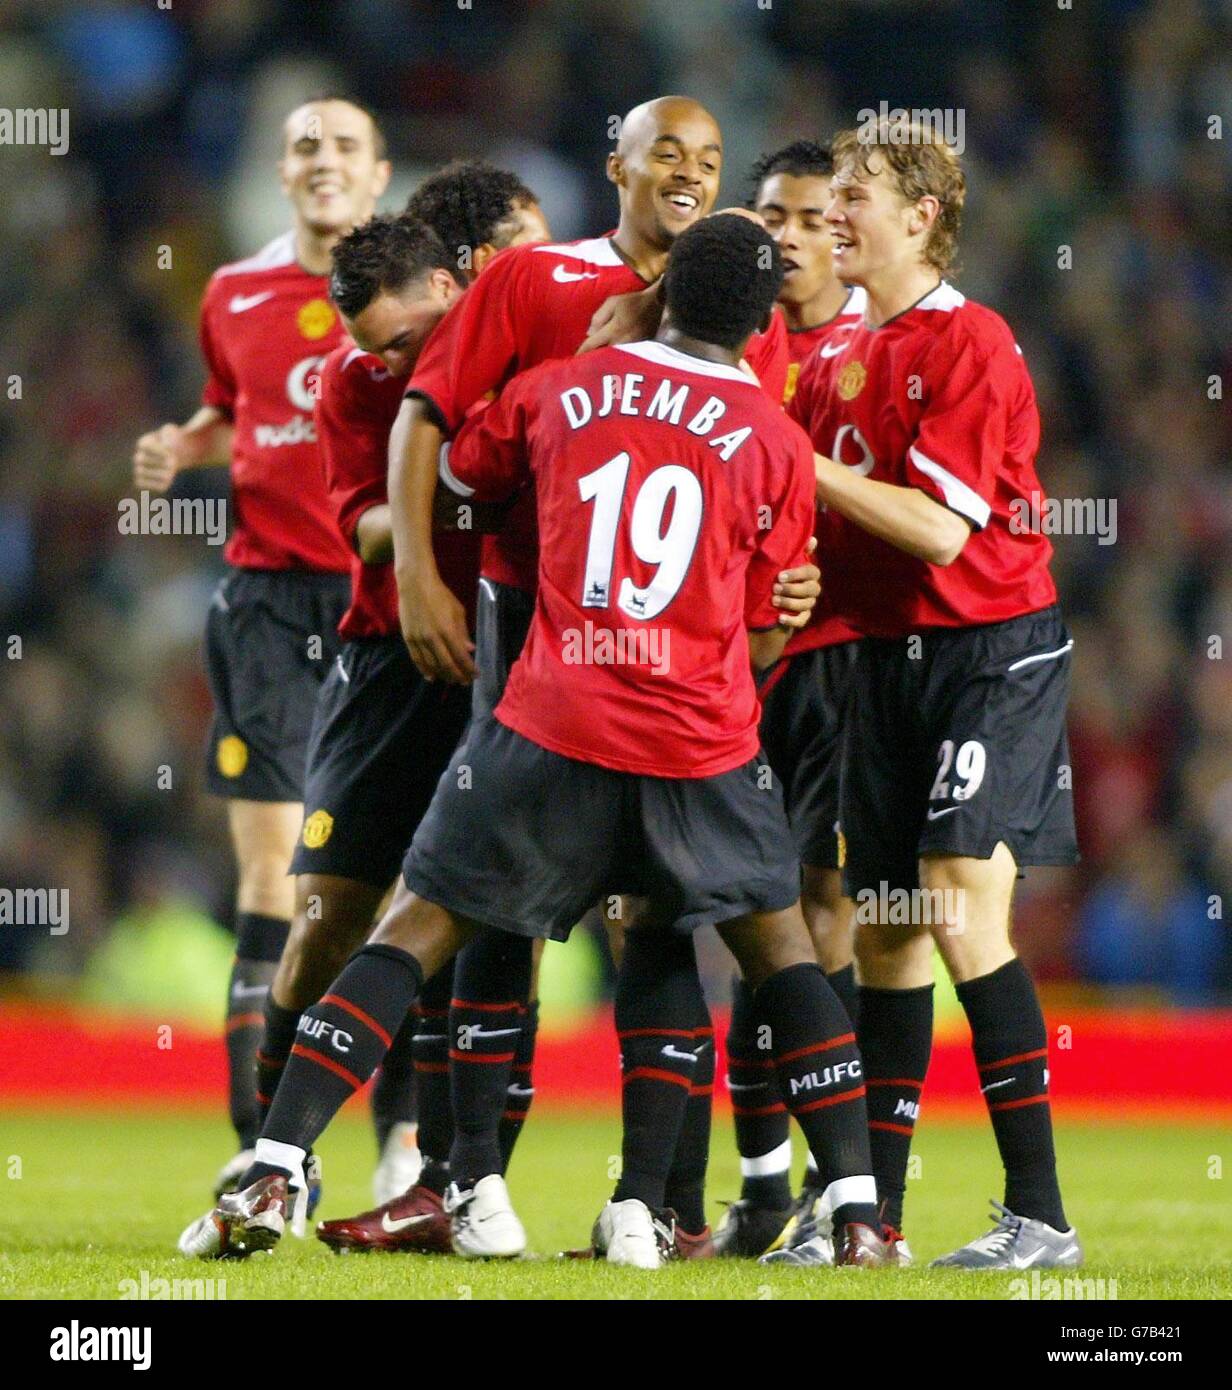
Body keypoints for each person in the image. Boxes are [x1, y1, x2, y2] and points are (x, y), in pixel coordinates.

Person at [178, 214, 895, 1272]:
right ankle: (855, 1212)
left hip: (547, 723)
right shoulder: (779, 443)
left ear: (658, 292)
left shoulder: (559, 387)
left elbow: (466, 478)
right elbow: (770, 624)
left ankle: (275, 1161)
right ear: (759, 324)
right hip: (697, 741)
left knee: (412, 929)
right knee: (777, 951)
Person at [770, 120, 1082, 1270]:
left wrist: (803, 469)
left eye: (853, 194)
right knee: (890, 939)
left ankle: (1039, 1216)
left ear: (919, 217)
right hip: (878, 658)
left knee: (954, 906)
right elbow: (825, 520)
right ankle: (872, 1220)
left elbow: (943, 530)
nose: (831, 212)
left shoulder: (968, 340)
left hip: (987, 649)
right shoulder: (836, 355)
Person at [131, 98, 392, 1196]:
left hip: (384, 603)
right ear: (280, 172)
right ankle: (262, 1151)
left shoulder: (418, 295)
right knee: (269, 875)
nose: (322, 162)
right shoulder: (234, 291)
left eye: (342, 147)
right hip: (269, 607)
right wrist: (186, 442)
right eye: (304, 147)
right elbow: (237, 414)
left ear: (379, 177)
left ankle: (409, 1155)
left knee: (380, 892)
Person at [715, 139, 875, 1261]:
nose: (785, 233)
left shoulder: (872, 347)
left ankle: (833, 1185)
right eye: (769, 212)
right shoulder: (735, 340)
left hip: (831, 666)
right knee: (736, 915)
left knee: (821, 916)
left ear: (844, 232)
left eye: (809, 216)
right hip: (728, 662)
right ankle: (758, 1184)